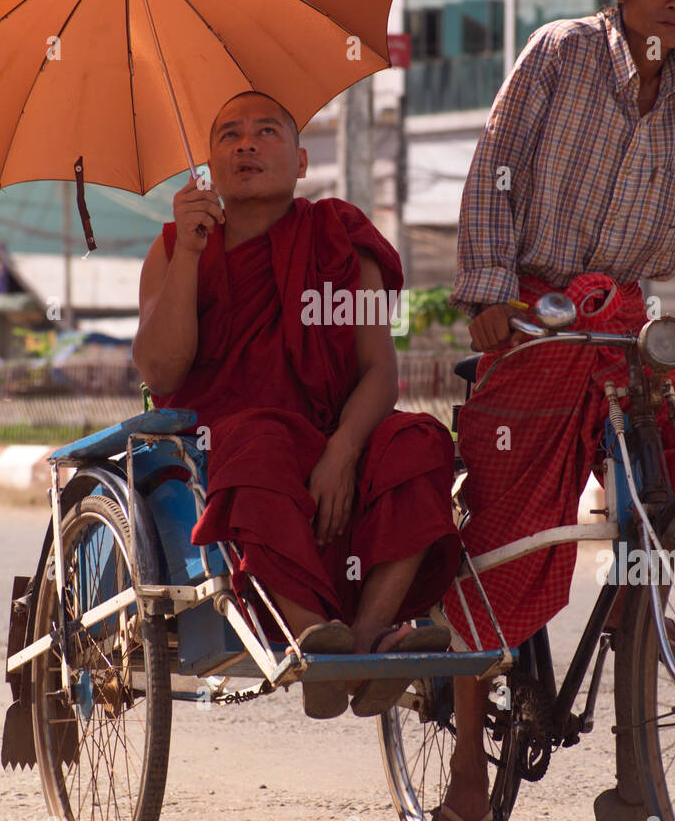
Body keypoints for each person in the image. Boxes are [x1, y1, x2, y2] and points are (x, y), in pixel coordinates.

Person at [439, 0, 675, 821]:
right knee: (502, 532)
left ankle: (656, 610)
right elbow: (493, 169)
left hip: (635, 324)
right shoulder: (560, 53)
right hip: (537, 312)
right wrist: (488, 290)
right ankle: (459, 759)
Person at [133, 91, 460, 719]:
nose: (246, 144)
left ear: (303, 160)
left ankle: (363, 638)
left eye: (265, 132)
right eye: (228, 135)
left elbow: (379, 373)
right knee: (259, 439)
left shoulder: (339, 238)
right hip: (235, 448)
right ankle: (312, 635)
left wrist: (342, 450)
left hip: (332, 438)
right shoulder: (179, 246)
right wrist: (194, 256)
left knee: (420, 439)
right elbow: (162, 369)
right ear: (210, 163)